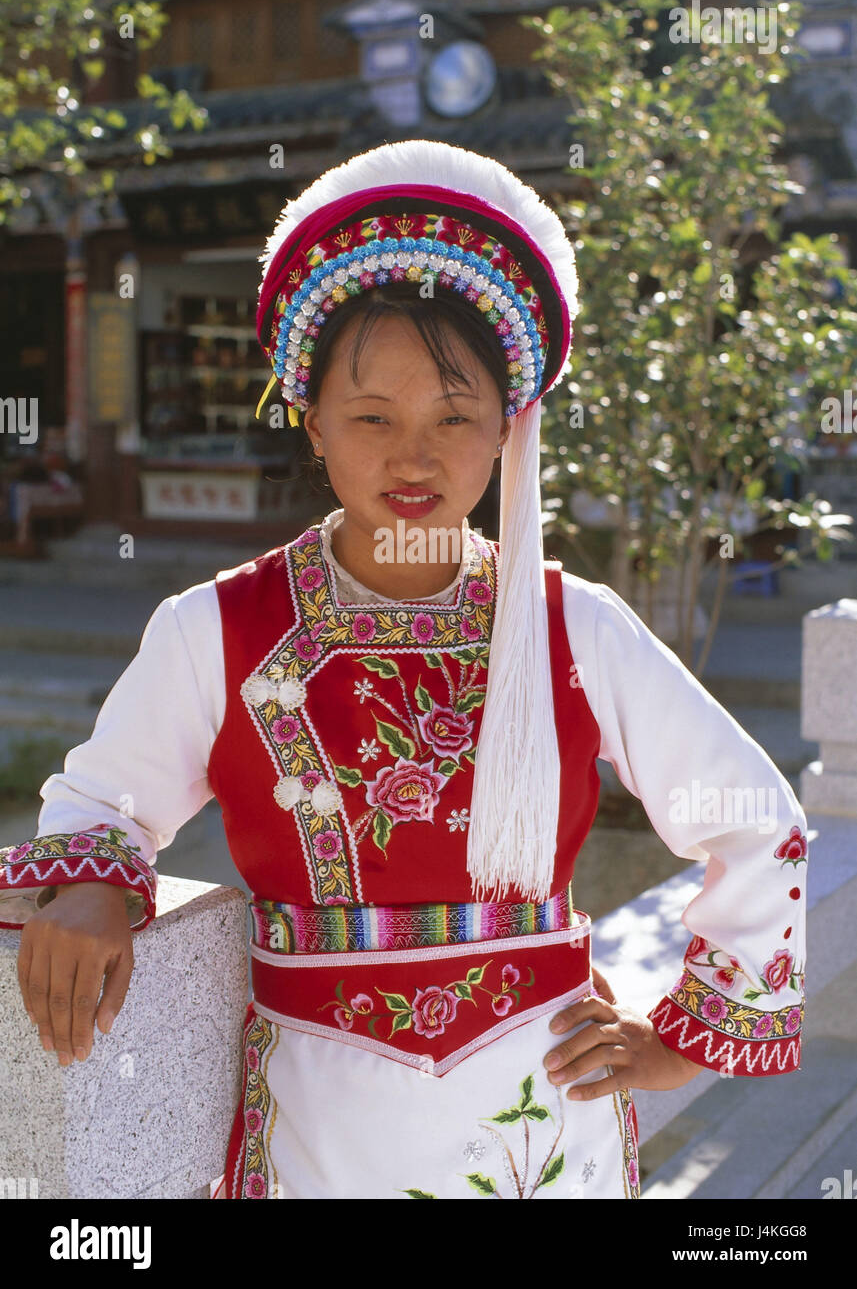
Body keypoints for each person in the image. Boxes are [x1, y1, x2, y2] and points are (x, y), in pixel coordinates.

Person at [0, 140, 807, 1200]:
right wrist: (100, 886)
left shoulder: (576, 627)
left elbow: (757, 821)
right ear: (313, 423)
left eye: (453, 416)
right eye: (371, 416)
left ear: (509, 428)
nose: (411, 457)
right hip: (318, 1124)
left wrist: (684, 1038)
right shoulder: (218, 629)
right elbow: (101, 799)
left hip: (541, 1118)